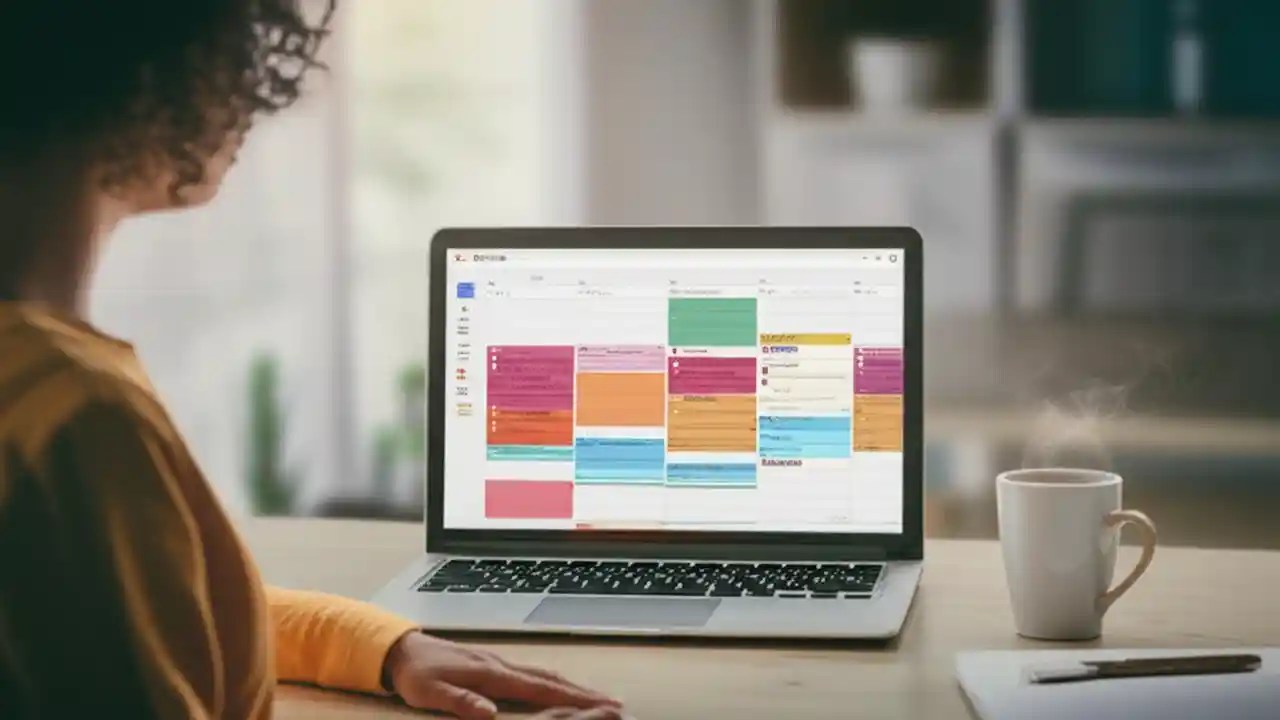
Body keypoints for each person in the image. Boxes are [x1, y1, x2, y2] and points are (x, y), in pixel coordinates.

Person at [0, 3, 624, 719]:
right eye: (234, 47)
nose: (249, 87)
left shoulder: (33, 384)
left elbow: (126, 613)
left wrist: (378, 646)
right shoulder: (77, 420)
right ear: (149, 73)